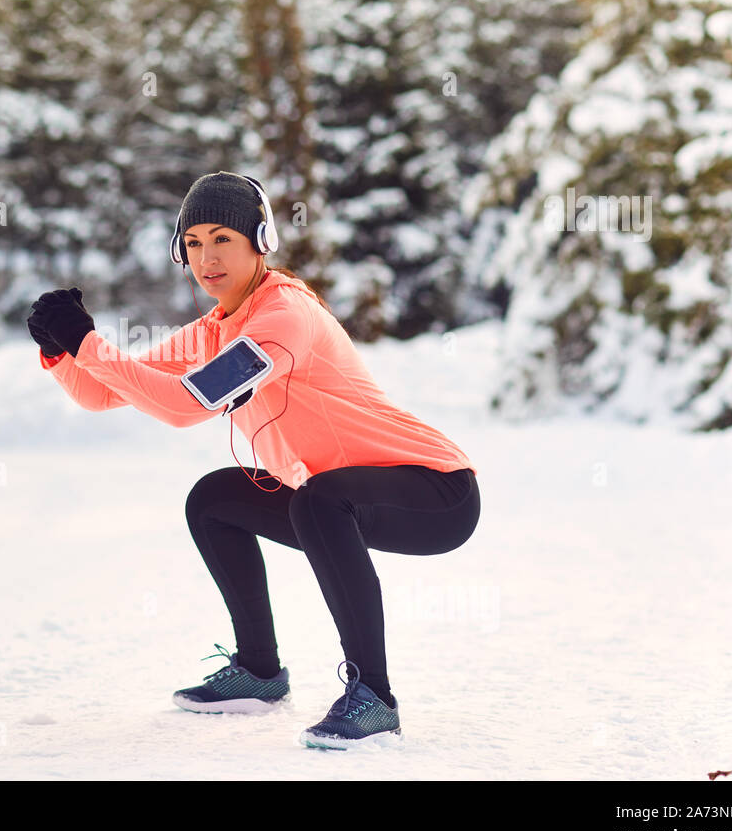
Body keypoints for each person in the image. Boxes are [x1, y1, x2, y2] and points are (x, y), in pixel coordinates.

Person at [26, 171, 480, 750]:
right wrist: (60, 350)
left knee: (320, 500)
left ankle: (374, 700)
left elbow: (187, 405)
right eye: (193, 243)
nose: (207, 257)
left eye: (222, 239)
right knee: (215, 500)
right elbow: (104, 393)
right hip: (343, 496)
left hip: (437, 492)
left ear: (259, 240)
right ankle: (259, 671)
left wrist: (89, 344)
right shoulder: (212, 330)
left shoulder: (284, 318)